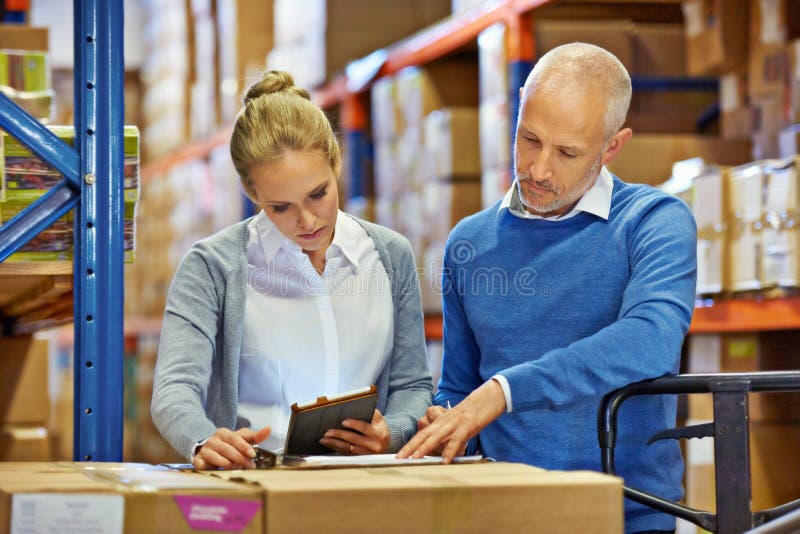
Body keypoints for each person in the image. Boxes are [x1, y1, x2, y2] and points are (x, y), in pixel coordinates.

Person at [398, 43, 697, 534]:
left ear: (612, 146)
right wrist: (409, 431)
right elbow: (458, 389)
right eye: (529, 139)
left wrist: (505, 391)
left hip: (627, 517)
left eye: (567, 152)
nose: (538, 169)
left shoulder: (652, 223)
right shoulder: (469, 243)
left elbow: (651, 338)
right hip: (500, 515)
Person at [152, 70, 433, 470]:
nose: (306, 221)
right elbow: (174, 390)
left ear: (335, 161)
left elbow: (413, 384)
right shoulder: (212, 267)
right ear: (253, 193)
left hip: (365, 482)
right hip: (258, 481)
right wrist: (204, 439)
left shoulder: (390, 255)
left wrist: (393, 429)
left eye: (318, 194)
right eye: (280, 207)